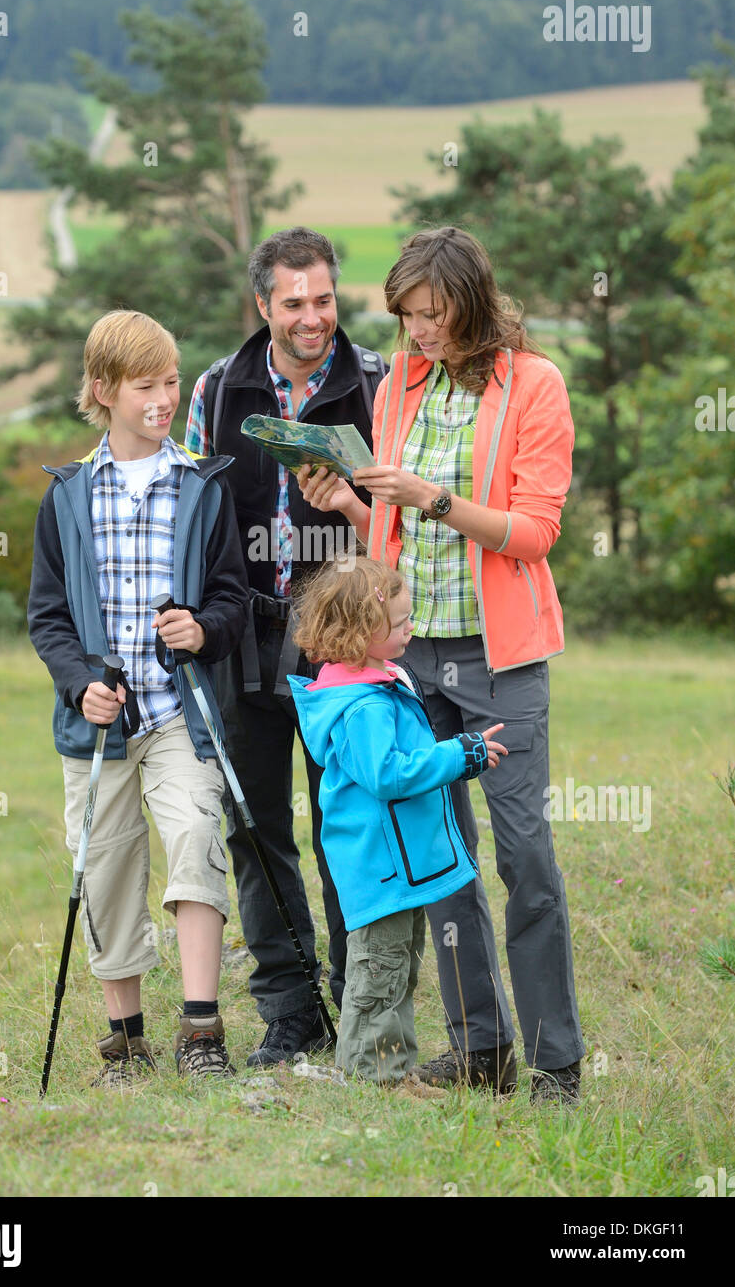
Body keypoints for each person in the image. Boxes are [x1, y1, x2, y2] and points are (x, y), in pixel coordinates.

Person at [298, 225, 586, 1103]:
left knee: (522, 860)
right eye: (407, 316)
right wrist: (350, 500)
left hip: (497, 660)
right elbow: (391, 539)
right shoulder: (402, 387)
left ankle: (555, 1065)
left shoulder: (532, 385)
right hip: (411, 658)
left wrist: (437, 499)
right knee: (440, 854)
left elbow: (534, 533)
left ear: (471, 300)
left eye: (432, 314)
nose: (418, 330)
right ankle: (479, 1049)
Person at [28, 309, 249, 1085]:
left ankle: (201, 1032)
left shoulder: (202, 488)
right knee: (104, 870)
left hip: (179, 715)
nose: (164, 399)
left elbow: (231, 600)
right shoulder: (65, 498)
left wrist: (202, 630)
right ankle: (125, 1039)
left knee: (195, 838)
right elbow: (48, 618)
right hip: (99, 730)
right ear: (103, 390)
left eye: (171, 384)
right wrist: (79, 680)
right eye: (146, 386)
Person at [184, 226, 385, 1067]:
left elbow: (403, 537)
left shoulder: (379, 381)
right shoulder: (216, 388)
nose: (313, 317)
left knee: (350, 821)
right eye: (294, 302)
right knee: (253, 825)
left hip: (341, 636)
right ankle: (291, 1010)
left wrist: (346, 503)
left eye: (325, 298)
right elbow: (190, 515)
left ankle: (362, 1000)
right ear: (261, 304)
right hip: (242, 635)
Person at [288, 557, 506, 1084]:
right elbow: (388, 774)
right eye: (403, 620)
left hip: (399, 866)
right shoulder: (361, 705)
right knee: (377, 976)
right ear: (363, 629)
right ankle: (372, 1081)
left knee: (399, 969)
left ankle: (394, 1073)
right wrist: (459, 755)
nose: (412, 626)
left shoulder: (378, 679)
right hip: (379, 867)